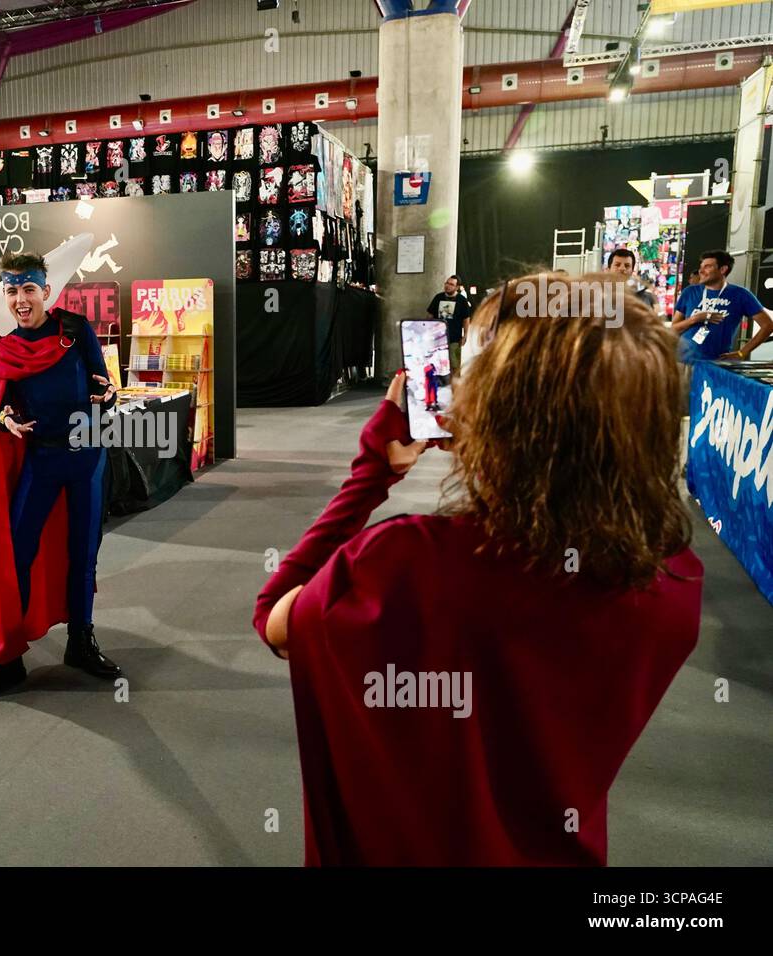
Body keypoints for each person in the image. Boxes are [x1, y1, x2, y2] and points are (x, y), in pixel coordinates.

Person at [253, 273, 701, 866]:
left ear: (501, 409)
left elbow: (276, 615)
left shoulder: (406, 564)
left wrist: (373, 471)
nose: (454, 389)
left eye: (469, 374)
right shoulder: (673, 576)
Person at [0, 252, 122, 702]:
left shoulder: (75, 330)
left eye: (28, 289)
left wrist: (107, 395)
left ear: (46, 292)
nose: (20, 299)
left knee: (82, 554)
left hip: (86, 460)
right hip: (39, 464)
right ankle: (7, 660)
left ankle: (80, 642)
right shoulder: (5, 349)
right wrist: (4, 420)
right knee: (15, 557)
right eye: (11, 290)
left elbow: (104, 387)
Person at [671, 250, 772, 362]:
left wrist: (742, 353)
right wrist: (695, 319)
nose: (701, 271)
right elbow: (673, 329)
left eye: (707, 267)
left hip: (718, 364)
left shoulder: (740, 295)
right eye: (701, 267)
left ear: (723, 269)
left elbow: (768, 325)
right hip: (684, 361)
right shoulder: (690, 292)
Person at [425, 275, 472, 373]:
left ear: (457, 287)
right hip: (438, 338)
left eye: (451, 284)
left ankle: (455, 386)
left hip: (454, 338)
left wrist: (466, 334)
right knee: (437, 365)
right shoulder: (438, 297)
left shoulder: (462, 300)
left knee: (455, 365)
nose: (447, 286)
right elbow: (430, 315)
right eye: (447, 283)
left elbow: (466, 318)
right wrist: (427, 330)